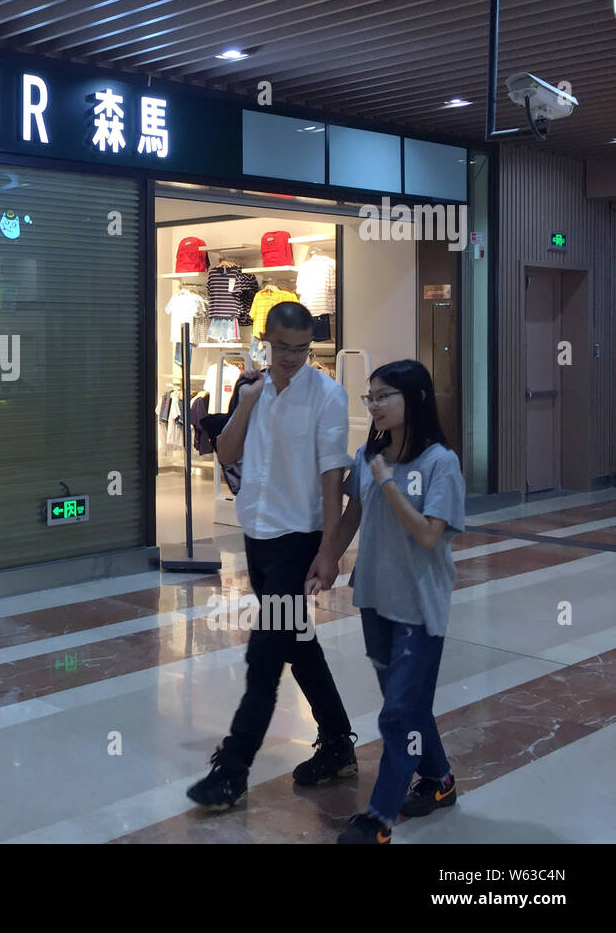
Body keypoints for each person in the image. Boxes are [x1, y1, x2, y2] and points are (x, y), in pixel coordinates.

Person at [187, 301, 357, 809]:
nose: (291, 358)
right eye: (282, 348)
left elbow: (332, 478)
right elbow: (228, 453)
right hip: (258, 535)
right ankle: (337, 744)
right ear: (266, 339)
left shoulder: (327, 395)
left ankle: (233, 769)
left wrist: (329, 550)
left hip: (297, 539)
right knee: (298, 642)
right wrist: (245, 403)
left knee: (265, 654)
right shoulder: (251, 387)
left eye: (301, 350)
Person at [333, 359, 465, 844]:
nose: (375, 405)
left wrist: (387, 480)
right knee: (405, 705)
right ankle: (439, 780)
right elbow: (352, 515)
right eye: (370, 396)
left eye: (385, 395)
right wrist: (326, 559)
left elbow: (430, 535)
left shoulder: (439, 463)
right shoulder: (370, 454)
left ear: (417, 399)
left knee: (396, 714)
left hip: (419, 608)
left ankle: (379, 817)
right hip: (374, 598)